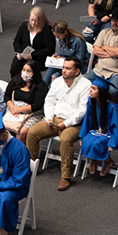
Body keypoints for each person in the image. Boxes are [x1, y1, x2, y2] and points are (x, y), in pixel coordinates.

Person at [26, 57, 91, 190]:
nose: (64, 71)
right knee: (32, 132)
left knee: (65, 139)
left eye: (68, 68)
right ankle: (31, 168)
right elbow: (49, 101)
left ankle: (66, 176)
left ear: (77, 71)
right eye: (63, 68)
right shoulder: (58, 82)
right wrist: (49, 118)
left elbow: (82, 111)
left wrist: (66, 124)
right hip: (54, 118)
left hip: (74, 123)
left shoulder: (86, 85)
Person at [79, 77, 118, 176]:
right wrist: (83, 135)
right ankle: (94, 160)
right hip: (98, 130)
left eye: (94, 88)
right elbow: (88, 119)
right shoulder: (92, 101)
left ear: (101, 91)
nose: (90, 91)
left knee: (97, 143)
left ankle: (108, 162)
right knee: (86, 140)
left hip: (110, 133)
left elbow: (117, 127)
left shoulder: (113, 106)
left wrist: (112, 142)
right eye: (91, 88)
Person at [85, 8, 118, 95]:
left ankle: (109, 108)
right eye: (112, 20)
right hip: (99, 70)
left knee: (112, 92)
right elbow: (96, 51)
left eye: (117, 21)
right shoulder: (104, 32)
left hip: (117, 72)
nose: (114, 23)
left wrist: (105, 47)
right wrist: (114, 53)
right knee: (82, 85)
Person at [3, 60, 48, 144]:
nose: (25, 73)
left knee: (21, 132)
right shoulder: (15, 80)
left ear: (34, 73)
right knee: (1, 129)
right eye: (23, 70)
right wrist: (13, 108)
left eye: (28, 71)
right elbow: (6, 96)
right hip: (13, 110)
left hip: (32, 114)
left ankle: (18, 154)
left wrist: (19, 110)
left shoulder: (41, 86)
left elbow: (37, 105)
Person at [10, 6, 55, 77]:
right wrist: (21, 52)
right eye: (31, 20)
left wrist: (33, 55)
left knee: (30, 70)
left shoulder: (47, 30)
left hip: (39, 57)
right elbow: (16, 42)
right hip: (24, 55)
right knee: (15, 67)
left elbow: (50, 49)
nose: (33, 23)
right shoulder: (24, 26)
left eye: (36, 21)